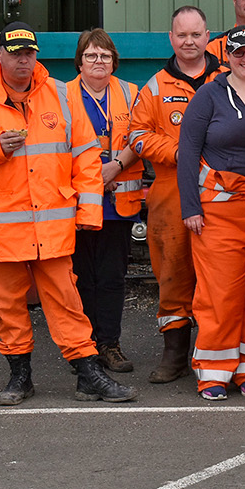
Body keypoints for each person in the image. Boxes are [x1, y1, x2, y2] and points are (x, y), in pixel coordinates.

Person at [0, 22, 138, 406]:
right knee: (8, 309)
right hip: (2, 232)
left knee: (67, 303)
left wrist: (89, 212)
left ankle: (88, 374)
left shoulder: (61, 96)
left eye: (29, 53)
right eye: (15, 53)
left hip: (52, 229)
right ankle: (20, 377)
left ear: (36, 55)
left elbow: (86, 157)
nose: (23, 60)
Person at [177, 26, 245, 401]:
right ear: (227, 56)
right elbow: (188, 151)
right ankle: (213, 371)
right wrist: (190, 207)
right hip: (218, 209)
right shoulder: (209, 95)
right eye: (238, 52)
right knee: (220, 292)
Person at [129, 6, 219, 385]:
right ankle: (175, 353)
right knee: (172, 273)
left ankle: (215, 352)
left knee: (220, 275)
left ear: (207, 36)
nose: (189, 42)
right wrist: (178, 152)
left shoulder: (227, 77)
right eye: (182, 35)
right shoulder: (155, 87)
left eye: (196, 34)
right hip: (170, 191)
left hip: (221, 190)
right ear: (171, 38)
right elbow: (136, 135)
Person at [67, 29, 145, 374]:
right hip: (78, 202)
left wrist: (115, 167)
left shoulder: (131, 93)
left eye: (105, 55)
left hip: (118, 203)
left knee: (112, 277)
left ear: (114, 61)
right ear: (79, 62)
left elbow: (142, 136)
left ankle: (110, 345)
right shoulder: (61, 95)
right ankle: (84, 349)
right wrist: (91, 177)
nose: (98, 61)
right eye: (91, 55)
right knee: (82, 277)